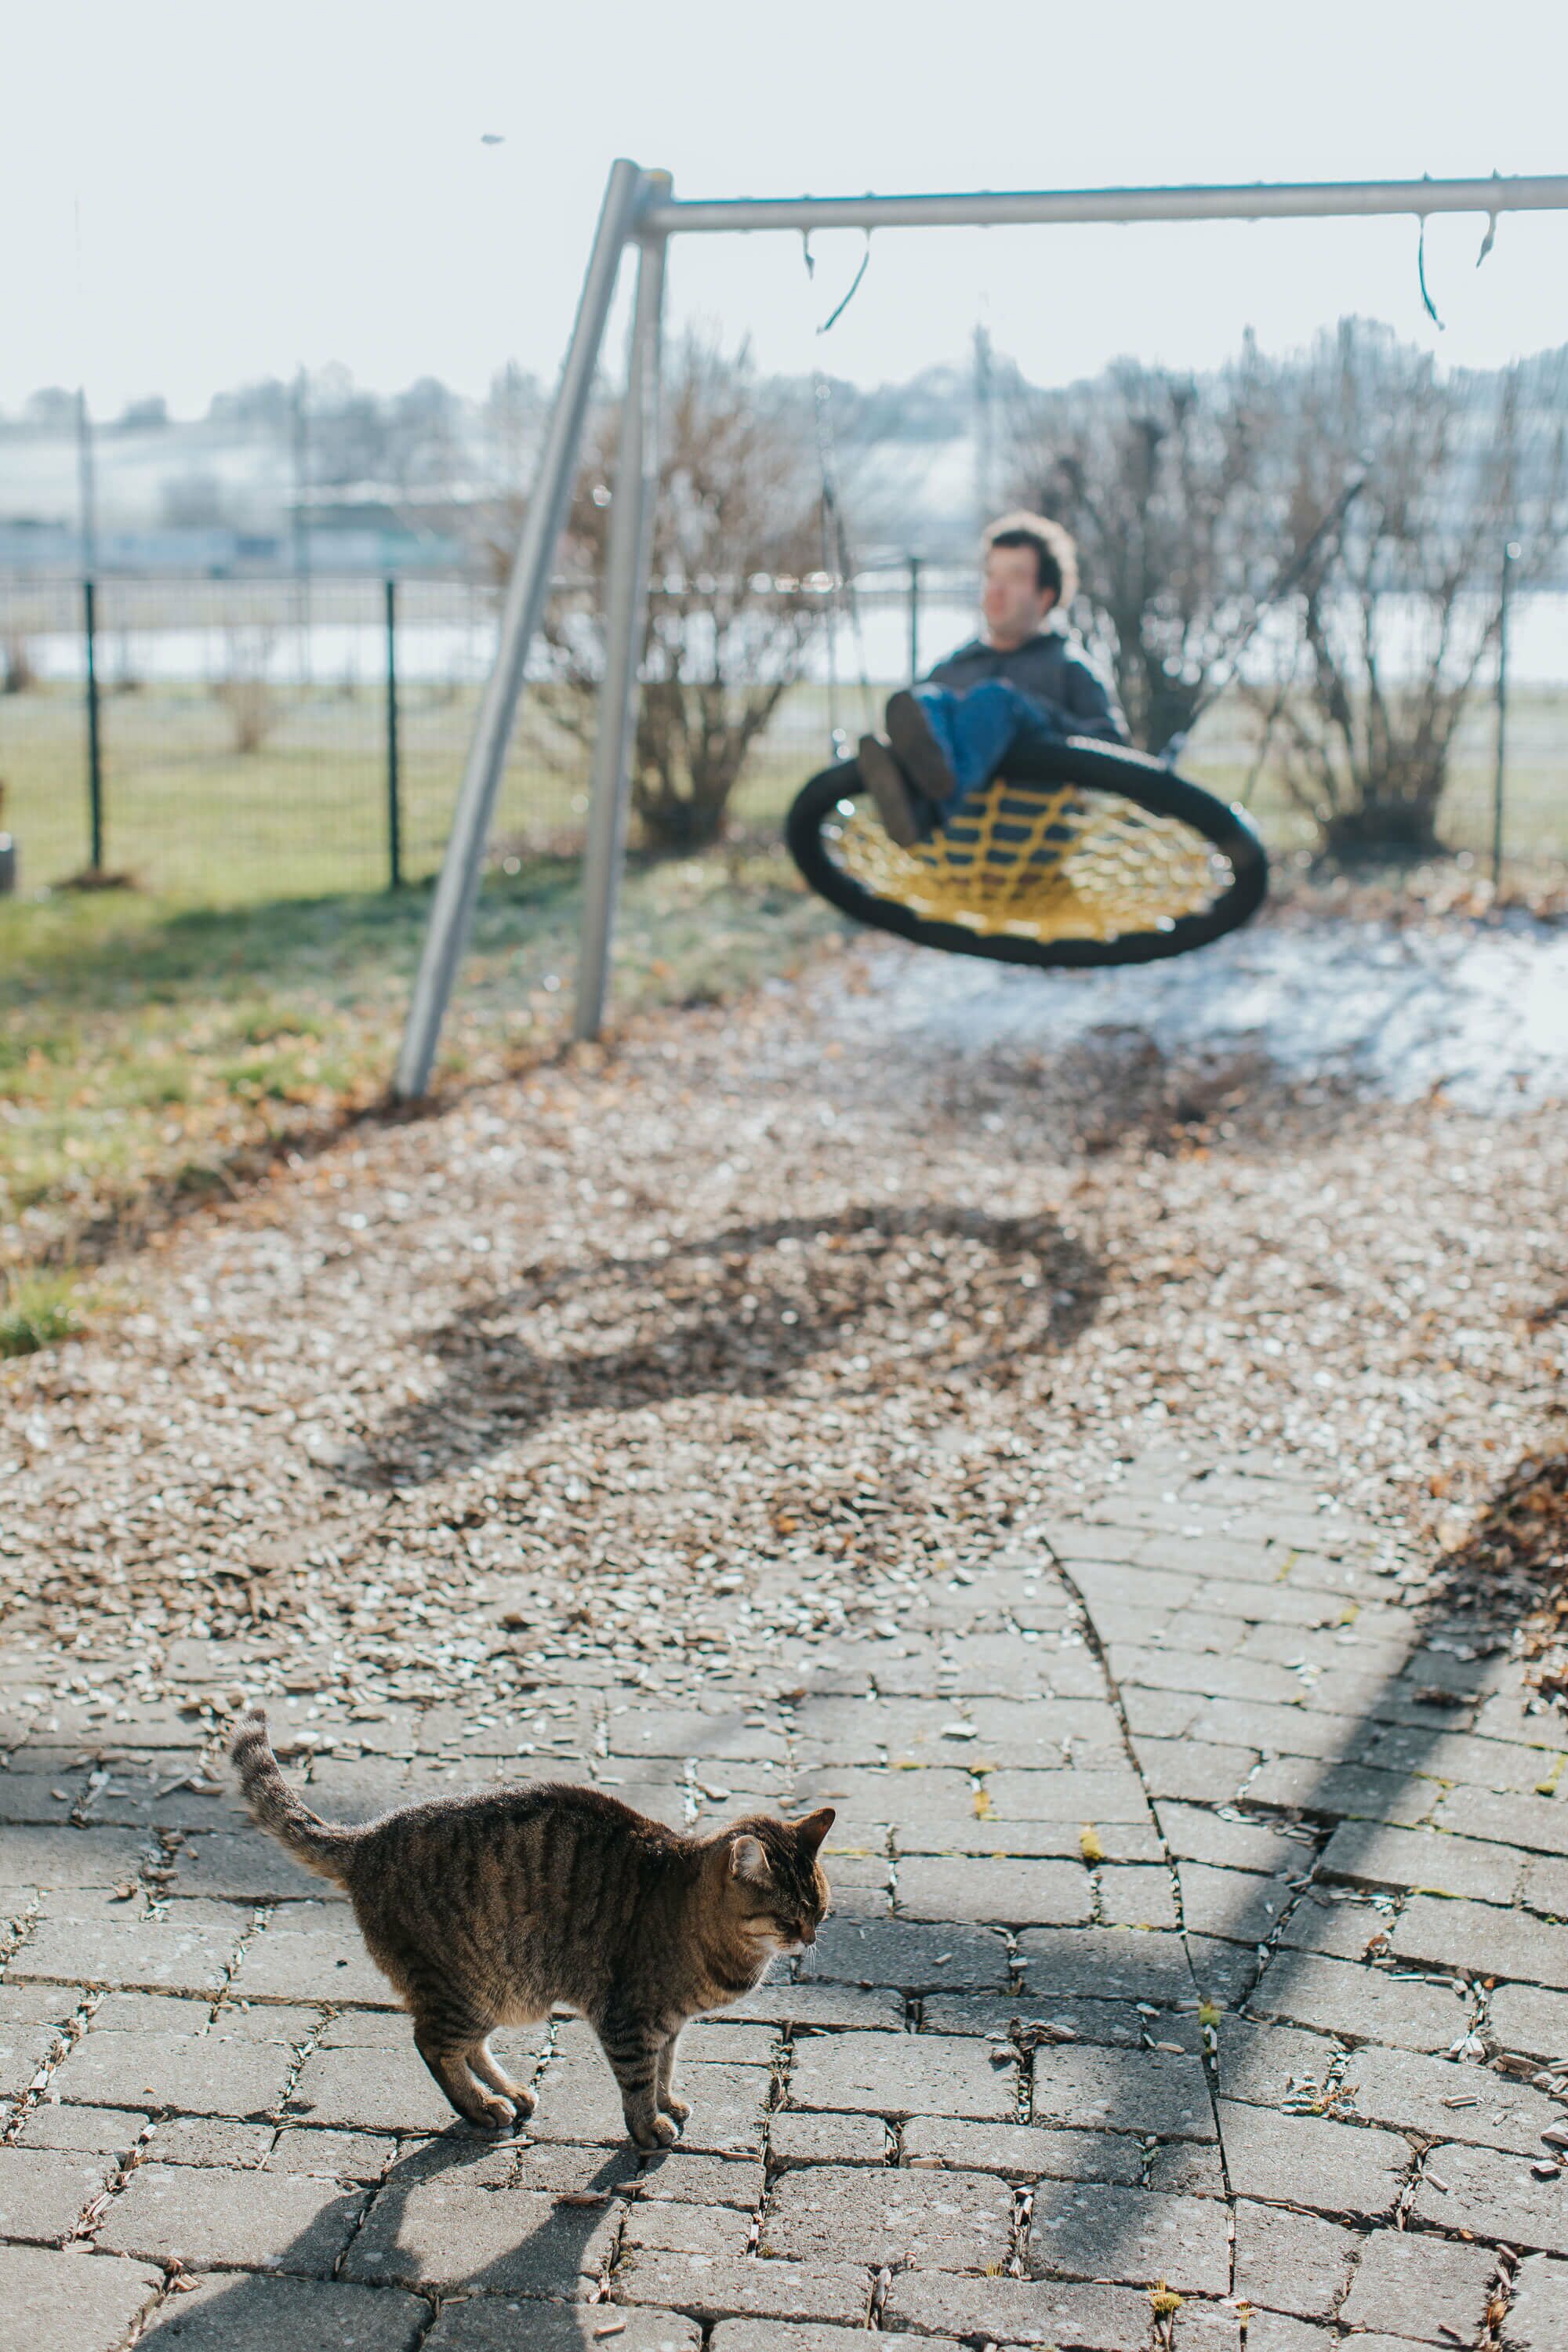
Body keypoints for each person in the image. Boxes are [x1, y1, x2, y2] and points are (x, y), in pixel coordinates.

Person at [858, 512, 1129, 848]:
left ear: (1045, 595)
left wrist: (1034, 718)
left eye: (1015, 578)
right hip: (952, 856)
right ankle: (925, 812)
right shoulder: (954, 669)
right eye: (991, 575)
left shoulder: (1069, 668)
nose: (996, 590)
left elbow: (1114, 753)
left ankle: (933, 812)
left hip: (1028, 850)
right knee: (925, 700)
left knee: (994, 701)